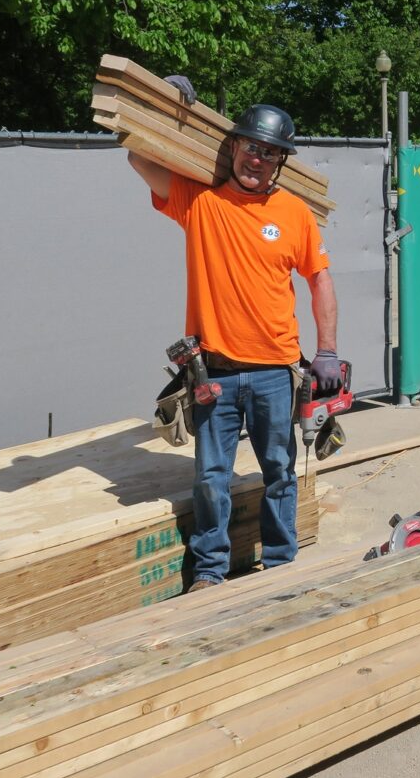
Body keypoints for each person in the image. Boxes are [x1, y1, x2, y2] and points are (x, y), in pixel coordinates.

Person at [127, 75, 339, 593]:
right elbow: (138, 157)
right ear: (235, 146)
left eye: (270, 153)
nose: (257, 159)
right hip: (213, 372)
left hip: (274, 370)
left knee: (280, 472)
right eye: (250, 147)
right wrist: (166, 105)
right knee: (210, 478)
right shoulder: (198, 201)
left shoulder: (294, 214)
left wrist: (328, 350)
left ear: (280, 161)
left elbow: (319, 279)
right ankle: (211, 572)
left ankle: (283, 564)